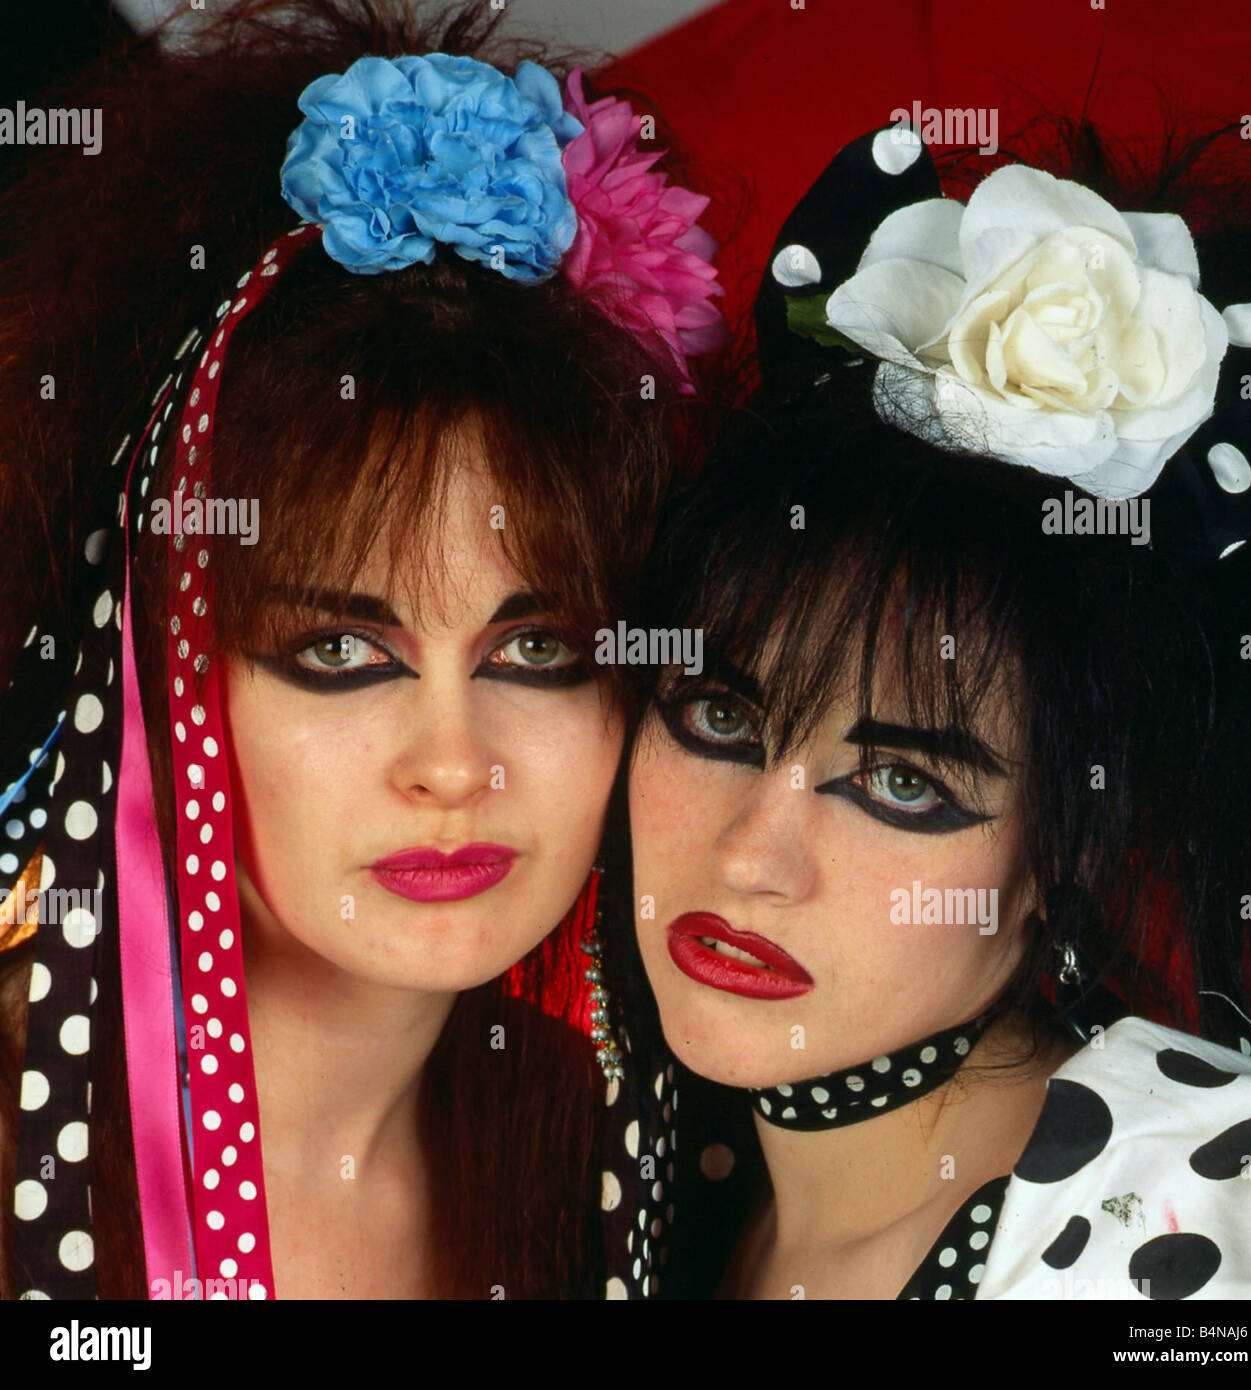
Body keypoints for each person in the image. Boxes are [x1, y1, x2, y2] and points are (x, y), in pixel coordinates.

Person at [0, 0, 724, 1299]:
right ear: (164, 669)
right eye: (341, 650)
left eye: (539, 650)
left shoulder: (623, 1162)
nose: (453, 765)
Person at [597, 118, 1251, 1300]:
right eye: (719, 719)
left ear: (1064, 849)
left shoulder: (1239, 1218)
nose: (751, 858)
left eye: (902, 783)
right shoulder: (629, 1179)